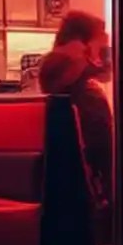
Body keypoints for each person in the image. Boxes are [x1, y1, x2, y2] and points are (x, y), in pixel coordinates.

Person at [39, 11, 113, 208]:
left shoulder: (84, 84)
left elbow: (105, 72)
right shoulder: (63, 66)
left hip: (90, 179)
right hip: (86, 184)